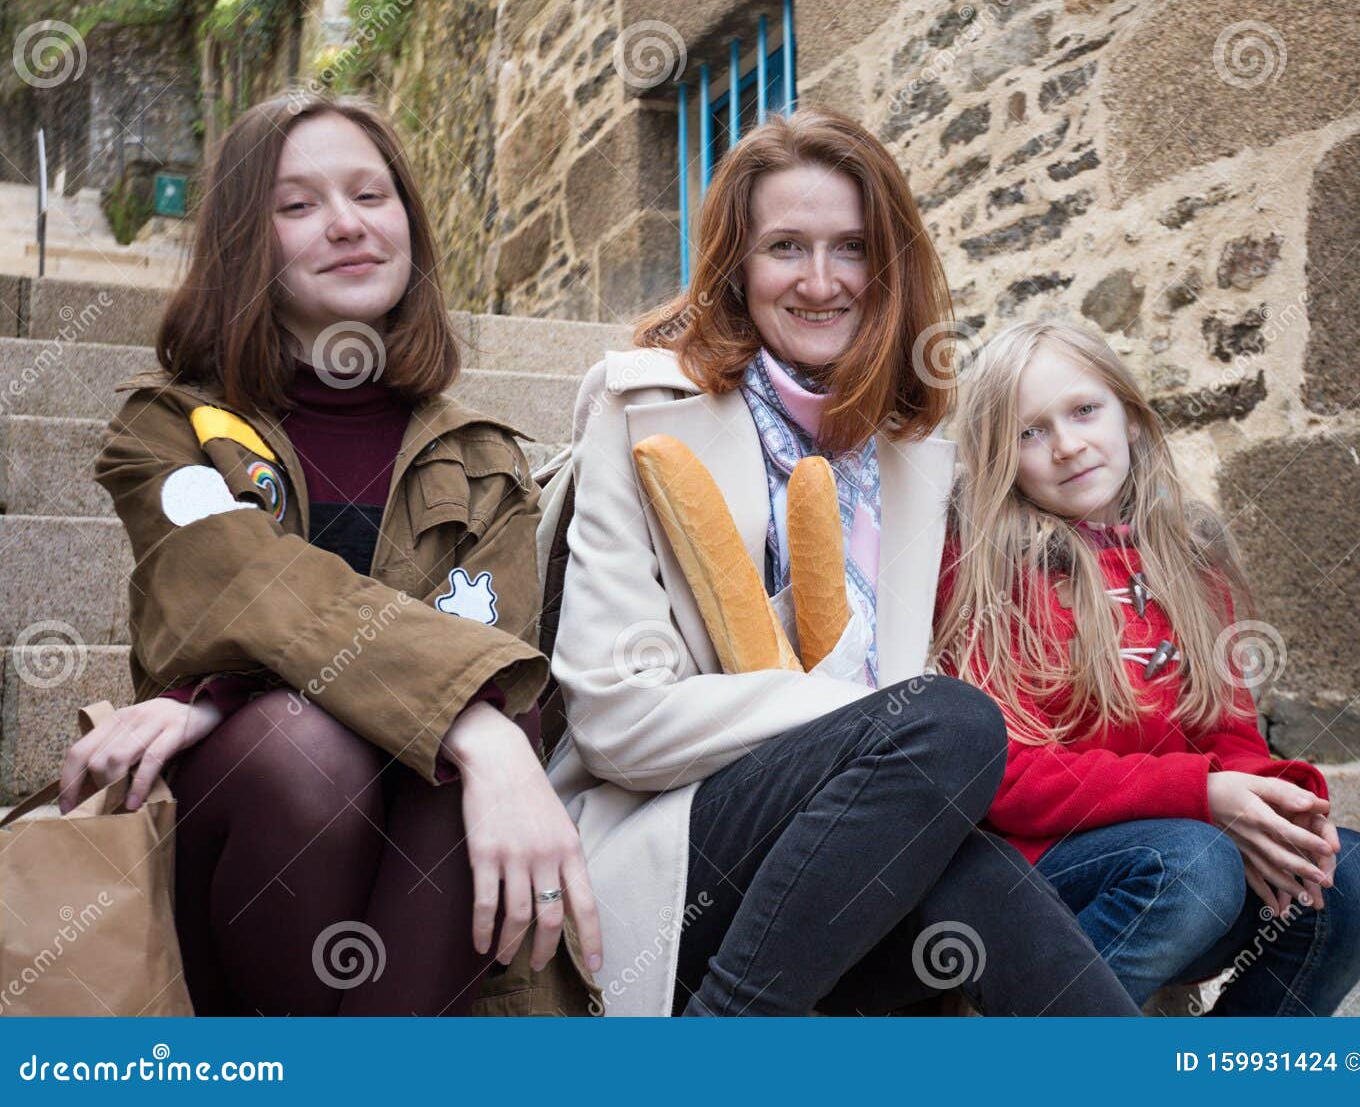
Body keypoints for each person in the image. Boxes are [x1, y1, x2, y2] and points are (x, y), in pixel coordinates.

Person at [544, 110, 1137, 1017]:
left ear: (887, 264)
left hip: (858, 851)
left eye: (851, 248)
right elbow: (617, 720)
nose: (821, 282)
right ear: (737, 269)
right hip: (681, 837)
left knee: (961, 858)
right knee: (946, 726)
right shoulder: (644, 412)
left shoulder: (914, 450)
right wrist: (871, 719)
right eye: (786, 246)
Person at [58, 91, 601, 1016]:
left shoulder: (486, 459)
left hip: (420, 866)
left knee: (449, 772)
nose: (346, 225)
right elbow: (244, 583)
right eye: (297, 205)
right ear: (245, 242)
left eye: (371, 195)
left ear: (409, 224)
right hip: (240, 843)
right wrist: (473, 721)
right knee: (310, 747)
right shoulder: (167, 429)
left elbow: (499, 653)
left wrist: (473, 732)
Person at [933, 318, 1360, 1014]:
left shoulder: (1187, 557)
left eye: (1085, 410)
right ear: (999, 457)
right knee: (1190, 863)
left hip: (1180, 862)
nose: (1066, 445)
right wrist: (1203, 794)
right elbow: (1006, 777)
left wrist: (1276, 806)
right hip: (1039, 883)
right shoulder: (984, 569)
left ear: (1130, 416)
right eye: (1029, 433)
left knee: (1356, 877)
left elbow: (1230, 731)